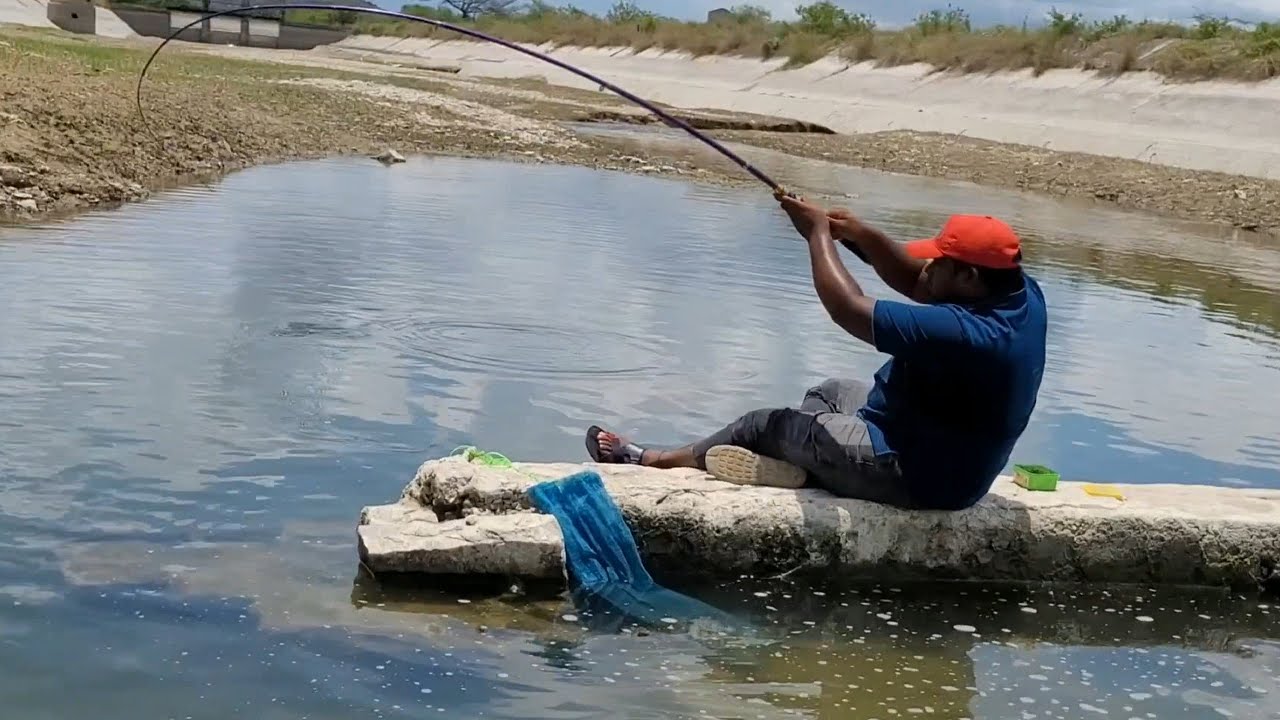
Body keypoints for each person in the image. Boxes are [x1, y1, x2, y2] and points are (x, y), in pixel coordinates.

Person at [584, 193, 1048, 511]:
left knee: (762, 424)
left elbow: (846, 308)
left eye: (940, 262)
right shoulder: (1019, 295)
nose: (929, 267)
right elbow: (918, 282)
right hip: (927, 441)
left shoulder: (970, 333)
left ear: (968, 277)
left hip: (917, 476)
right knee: (829, 393)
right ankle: (803, 468)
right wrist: (863, 237)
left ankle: (651, 459)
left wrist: (817, 237)